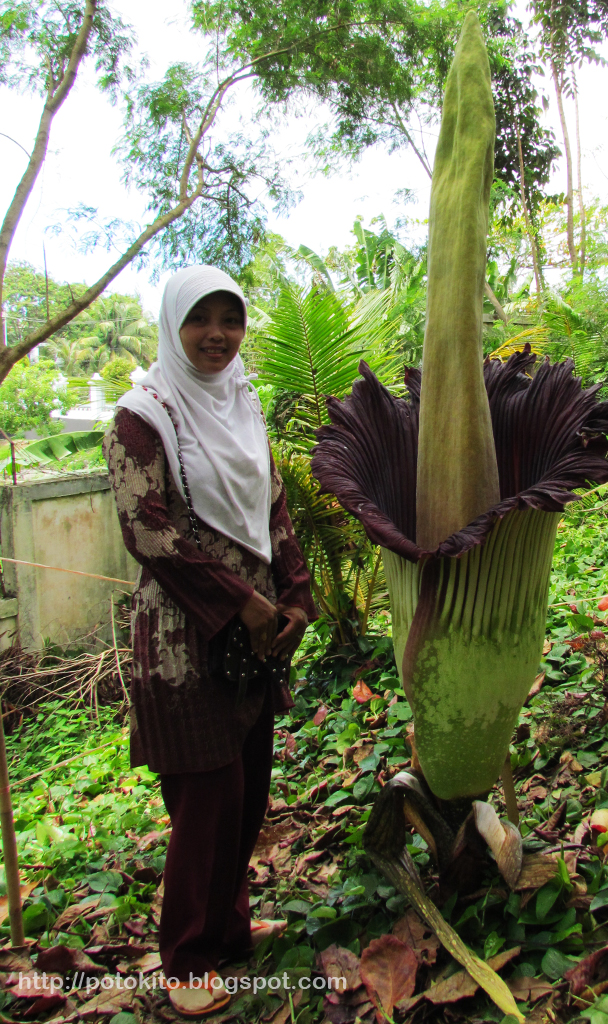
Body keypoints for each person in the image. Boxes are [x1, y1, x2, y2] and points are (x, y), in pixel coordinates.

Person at [104, 265, 316, 1017]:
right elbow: (148, 530)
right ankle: (186, 955)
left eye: (231, 318)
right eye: (201, 319)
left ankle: (227, 929)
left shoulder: (243, 400)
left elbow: (273, 501)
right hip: (183, 635)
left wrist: (293, 593)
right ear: (172, 324)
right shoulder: (142, 416)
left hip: (256, 630)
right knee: (206, 792)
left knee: (249, 786)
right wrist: (242, 604)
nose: (218, 334)